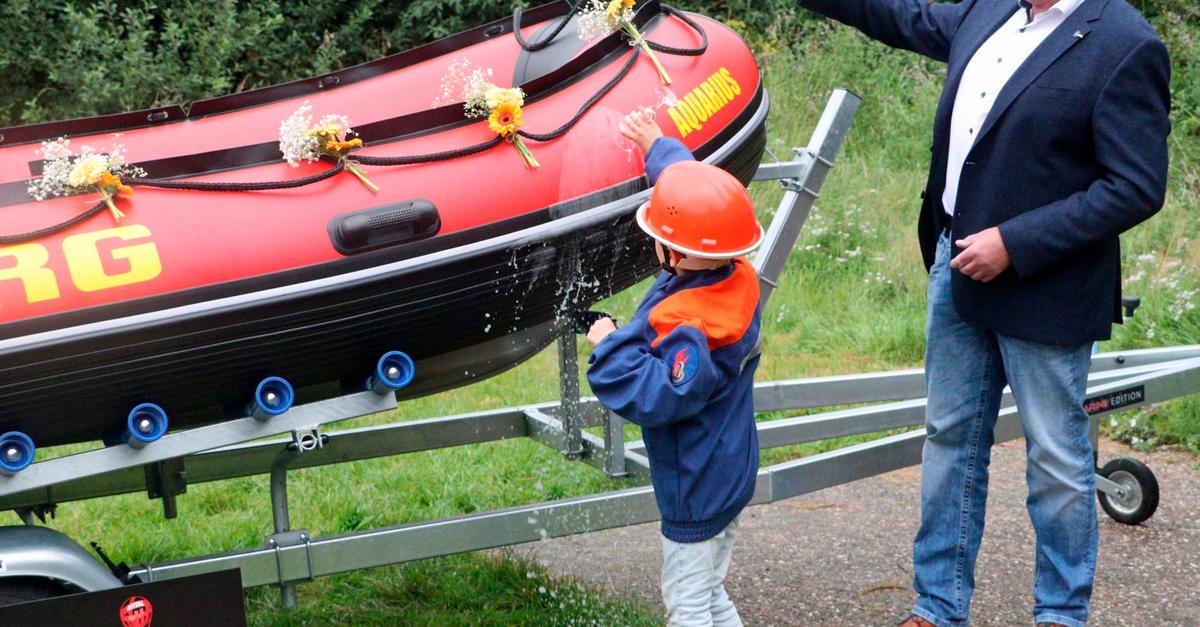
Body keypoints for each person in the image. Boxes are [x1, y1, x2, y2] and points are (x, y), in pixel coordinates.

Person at [796, 1, 1171, 626]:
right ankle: (938, 606)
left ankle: (1060, 614)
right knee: (950, 440)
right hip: (957, 267)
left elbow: (1134, 186)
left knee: (1056, 459)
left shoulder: (1125, 42)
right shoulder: (991, 8)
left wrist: (1015, 244)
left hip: (1045, 287)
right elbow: (902, 15)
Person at [585, 108, 764, 626]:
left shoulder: (695, 331)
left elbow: (659, 394)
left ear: (674, 252)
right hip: (728, 469)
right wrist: (656, 144)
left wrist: (609, 343)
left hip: (698, 484)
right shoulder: (732, 271)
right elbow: (698, 198)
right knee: (710, 594)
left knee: (687, 606)